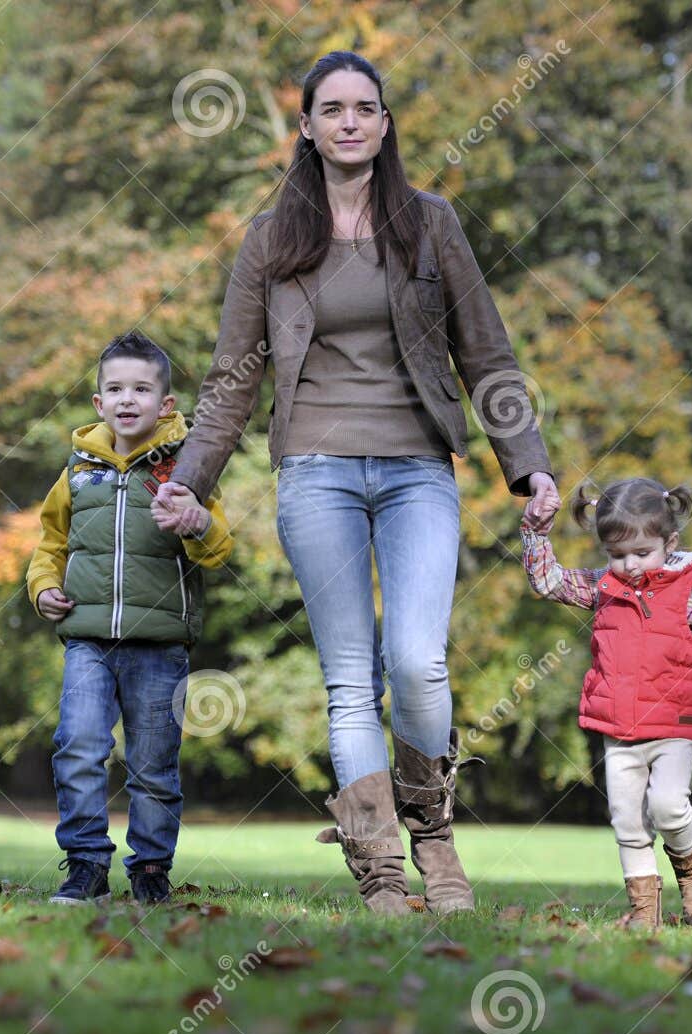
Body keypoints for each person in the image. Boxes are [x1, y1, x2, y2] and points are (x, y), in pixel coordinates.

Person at [152, 51, 561, 915]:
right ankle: (377, 867)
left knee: (418, 661)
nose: (348, 121)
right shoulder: (272, 238)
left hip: (418, 466)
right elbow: (231, 379)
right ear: (305, 127)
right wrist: (190, 478)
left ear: (384, 125)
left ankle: (434, 832)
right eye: (330, 109)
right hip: (315, 471)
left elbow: (485, 350)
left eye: (364, 108)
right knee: (348, 677)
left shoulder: (430, 223)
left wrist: (528, 464)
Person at [26, 331, 233, 905]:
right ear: (98, 403)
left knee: (153, 765)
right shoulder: (77, 473)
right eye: (114, 388)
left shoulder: (183, 470)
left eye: (141, 389)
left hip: (159, 647)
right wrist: (43, 588)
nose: (126, 399)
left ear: (165, 405)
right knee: (78, 747)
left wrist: (194, 523)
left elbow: (218, 550)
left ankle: (150, 871)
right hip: (88, 642)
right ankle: (86, 864)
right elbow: (50, 545)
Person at [521, 477, 692, 929]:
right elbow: (548, 582)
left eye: (641, 553)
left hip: (674, 724)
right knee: (628, 821)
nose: (628, 565)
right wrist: (535, 533)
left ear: (670, 542)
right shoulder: (603, 587)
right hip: (618, 728)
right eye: (616, 555)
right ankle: (643, 911)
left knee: (668, 805)